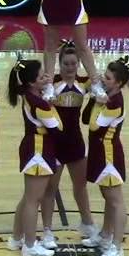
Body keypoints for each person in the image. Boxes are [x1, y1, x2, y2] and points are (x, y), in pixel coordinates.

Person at [5, 57, 63, 256]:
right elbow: (58, 129)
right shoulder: (38, 103)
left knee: (28, 198)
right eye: (41, 76)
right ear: (31, 82)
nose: (46, 78)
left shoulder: (31, 96)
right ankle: (29, 245)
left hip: (35, 147)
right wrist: (51, 101)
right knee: (33, 200)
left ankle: (16, 238)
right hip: (39, 150)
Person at [84, 57, 129, 256]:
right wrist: (94, 98)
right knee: (107, 196)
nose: (103, 80)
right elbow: (84, 117)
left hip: (109, 155)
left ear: (118, 83)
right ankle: (105, 235)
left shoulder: (115, 102)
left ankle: (117, 247)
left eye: (107, 78)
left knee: (116, 201)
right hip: (98, 153)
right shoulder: (106, 96)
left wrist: (97, 100)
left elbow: (94, 126)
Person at [44, 40, 97, 243]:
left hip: (75, 142)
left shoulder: (84, 83)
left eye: (73, 63)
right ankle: (47, 230)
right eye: (66, 64)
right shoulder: (51, 84)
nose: (70, 68)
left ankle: (87, 223)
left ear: (79, 64)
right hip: (54, 144)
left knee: (80, 186)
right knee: (50, 189)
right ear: (59, 63)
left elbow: (105, 83)